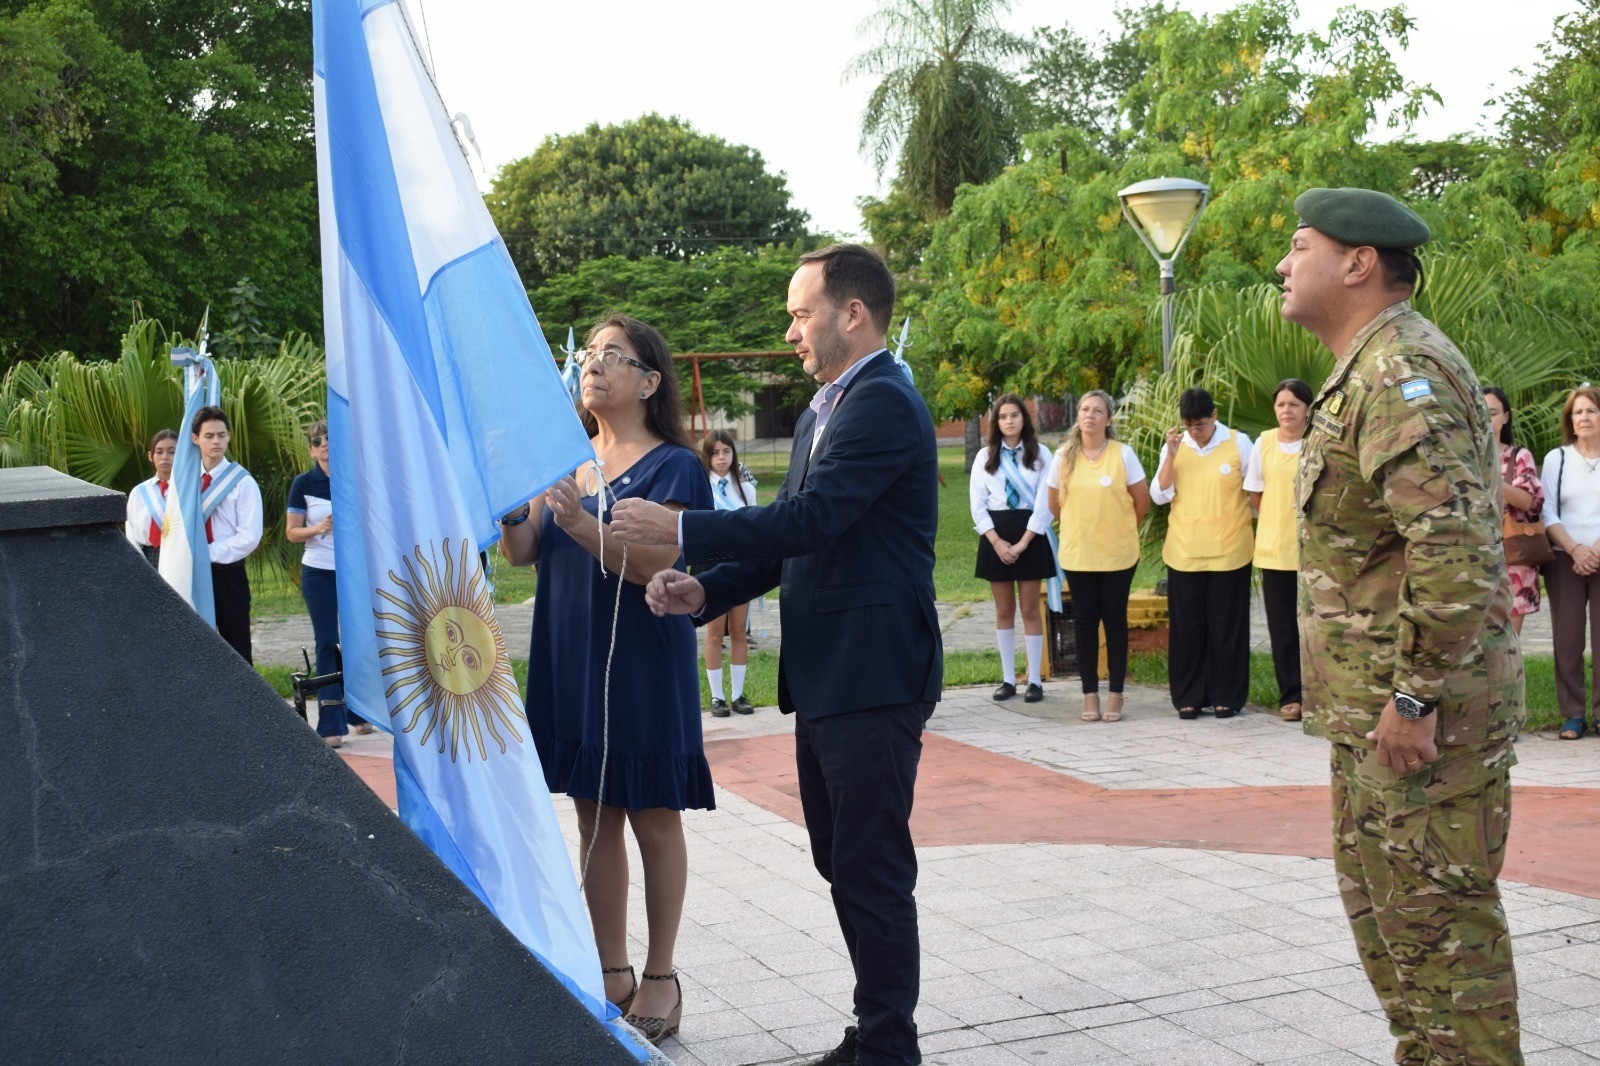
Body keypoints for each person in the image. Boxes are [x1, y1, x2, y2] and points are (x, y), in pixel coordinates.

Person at [610, 244, 941, 1066]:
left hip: (874, 670)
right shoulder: (822, 411)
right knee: (843, 858)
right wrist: (705, 588)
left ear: (851, 313)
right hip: (831, 674)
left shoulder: (884, 404)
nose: (791, 330)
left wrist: (678, 527)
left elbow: (814, 518)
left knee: (870, 866)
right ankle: (874, 1029)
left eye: (801, 312)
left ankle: (889, 1047)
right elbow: (793, 539)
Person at [1280, 186, 1523, 1064]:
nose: (1283, 263)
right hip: (1378, 728)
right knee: (1405, 959)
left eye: (1299, 245)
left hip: (1422, 730)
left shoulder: (1396, 374)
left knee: (1448, 965)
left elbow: (1455, 546)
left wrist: (1415, 700)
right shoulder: (1370, 367)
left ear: (1358, 262)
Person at [498, 314, 713, 1045]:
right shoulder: (563, 455)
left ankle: (661, 973)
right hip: (571, 653)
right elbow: (524, 549)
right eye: (589, 355)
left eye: (611, 356)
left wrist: (586, 525)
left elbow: (665, 567)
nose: (593, 366)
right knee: (593, 816)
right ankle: (611, 969)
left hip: (644, 661)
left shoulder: (675, 467)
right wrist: (510, 500)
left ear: (649, 382)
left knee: (652, 811)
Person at [1149, 387, 1254, 720]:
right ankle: (1188, 697)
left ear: (1215, 416)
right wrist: (1170, 454)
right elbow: (1159, 495)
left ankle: (1227, 696)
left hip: (1230, 551)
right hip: (1185, 552)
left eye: (1202, 424)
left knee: (1227, 628)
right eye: (1190, 425)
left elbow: (1255, 493)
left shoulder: (1239, 443)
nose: (1196, 431)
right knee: (1187, 628)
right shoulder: (1177, 447)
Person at [1046, 390, 1149, 723]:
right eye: (1084, 409)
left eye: (1097, 410)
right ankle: (1089, 694)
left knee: (1115, 622)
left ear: (1108, 419)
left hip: (1118, 555)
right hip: (1079, 555)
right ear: (1078, 416)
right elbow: (1054, 505)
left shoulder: (1123, 454)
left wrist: (1115, 529)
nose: (1089, 415)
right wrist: (1082, 528)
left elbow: (1141, 501)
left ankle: (1116, 694)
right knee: (1085, 624)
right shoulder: (1063, 456)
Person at [286, 421, 370, 748]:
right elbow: (292, 532)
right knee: (327, 642)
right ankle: (331, 721)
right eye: (317, 441)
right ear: (310, 449)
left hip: (353, 573)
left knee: (359, 640)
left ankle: (360, 712)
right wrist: (319, 527)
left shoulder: (354, 478)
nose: (324, 445)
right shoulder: (303, 483)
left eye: (330, 439)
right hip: (318, 572)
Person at [969, 393, 1055, 703]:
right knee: (1004, 610)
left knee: (1030, 609)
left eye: (1014, 416)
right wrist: (997, 542)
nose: (1009, 421)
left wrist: (1022, 543)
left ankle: (1034, 680)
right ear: (996, 422)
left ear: (1024, 419)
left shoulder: (1042, 454)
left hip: (1030, 535)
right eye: (1003, 417)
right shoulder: (984, 457)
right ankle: (1007, 679)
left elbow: (1046, 503)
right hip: (996, 535)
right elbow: (977, 506)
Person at [1243, 379, 1312, 722]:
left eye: (1294, 405)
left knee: (1315, 627)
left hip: (1315, 551)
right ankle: (1292, 696)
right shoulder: (1264, 443)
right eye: (1281, 404)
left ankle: (1320, 695)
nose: (1286, 410)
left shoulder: (1319, 442)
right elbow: (1257, 495)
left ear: (1308, 410)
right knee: (1282, 628)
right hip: (1274, 550)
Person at [1541, 385, 1600, 740]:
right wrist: (1576, 549)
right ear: (1570, 421)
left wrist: (1595, 550)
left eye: (1591, 410)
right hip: (1566, 559)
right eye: (1578, 412)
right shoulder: (1556, 459)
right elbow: (1545, 509)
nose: (1585, 417)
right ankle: (1573, 714)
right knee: (1567, 638)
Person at [190, 405, 262, 663]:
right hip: (191, 573)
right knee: (196, 646)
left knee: (237, 649)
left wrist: (206, 553)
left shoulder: (242, 482)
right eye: (209, 436)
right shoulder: (186, 481)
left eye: (221, 435)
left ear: (229, 436)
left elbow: (249, 536)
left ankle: (246, 703)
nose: (216, 441)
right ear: (195, 438)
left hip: (227, 574)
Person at [700, 430, 758, 716]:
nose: (721, 458)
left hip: (741, 564)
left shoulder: (746, 489)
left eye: (726, 451)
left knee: (738, 631)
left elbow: (755, 527)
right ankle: (717, 697)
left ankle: (738, 694)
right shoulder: (702, 486)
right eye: (715, 452)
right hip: (712, 564)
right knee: (714, 634)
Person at [1483, 387, 1546, 638]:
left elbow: (1525, 500)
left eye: (1493, 412)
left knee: (1508, 642)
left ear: (1505, 417)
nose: (1488, 419)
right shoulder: (1462, 457)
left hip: (1513, 556)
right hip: (1474, 557)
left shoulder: (1520, 457)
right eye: (1482, 412)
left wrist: (1489, 475)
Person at [125, 429, 178, 568]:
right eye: (159, 452)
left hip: (180, 555)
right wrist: (140, 565)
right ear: (150, 456)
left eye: (172, 452)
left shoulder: (188, 490)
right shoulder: (139, 492)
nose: (165, 457)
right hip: (149, 557)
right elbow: (131, 533)